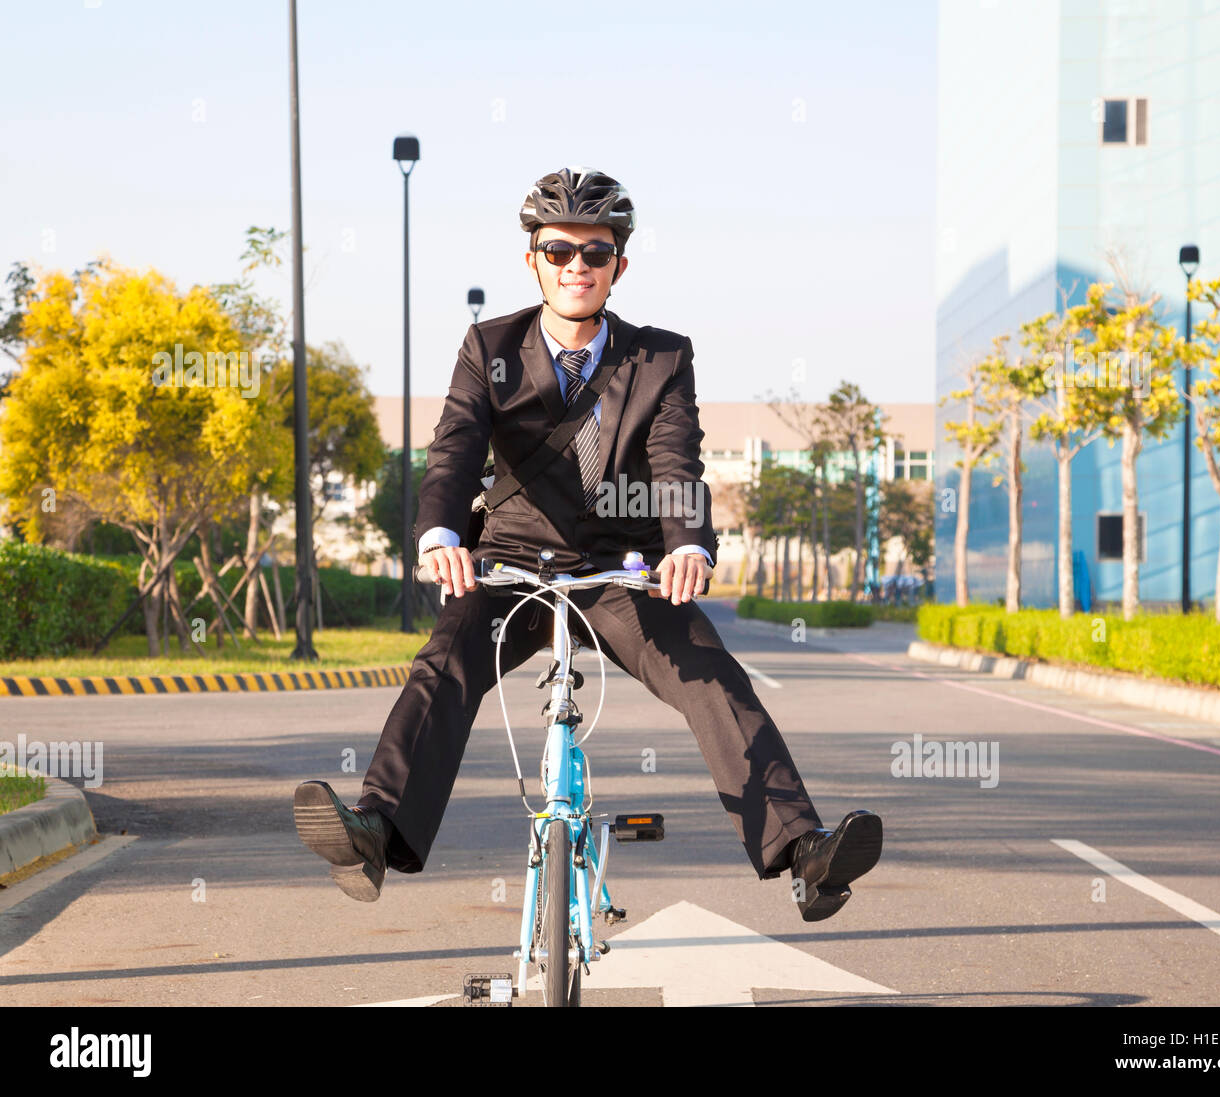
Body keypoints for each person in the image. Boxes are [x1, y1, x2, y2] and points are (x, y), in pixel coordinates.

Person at [294, 167, 882, 922]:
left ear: (619, 266)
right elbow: (454, 450)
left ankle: (805, 853)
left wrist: (689, 547)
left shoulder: (661, 358)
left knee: (710, 674)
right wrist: (440, 533)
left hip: (619, 575)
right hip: (508, 567)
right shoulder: (489, 345)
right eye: (559, 248)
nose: (577, 265)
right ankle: (375, 831)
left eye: (595, 253)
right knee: (444, 662)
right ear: (532, 258)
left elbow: (676, 464)